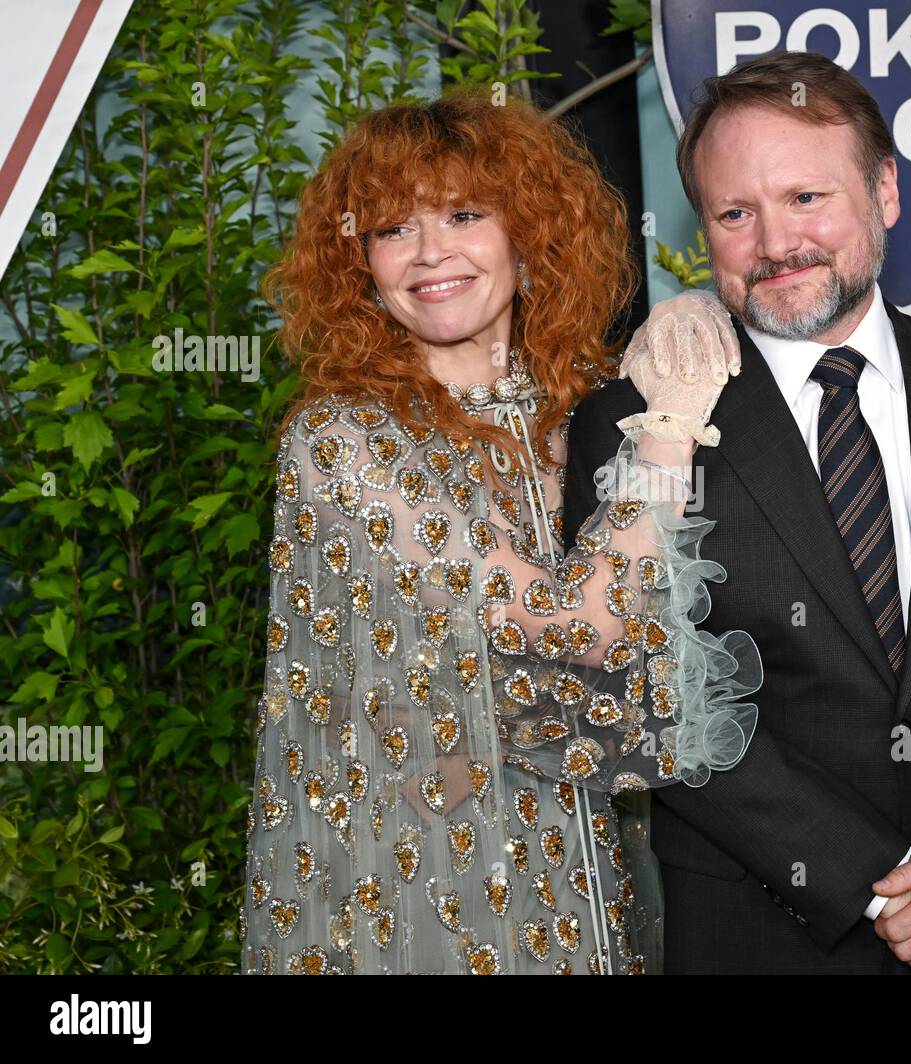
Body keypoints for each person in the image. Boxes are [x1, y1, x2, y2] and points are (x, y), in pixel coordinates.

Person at [563, 50, 911, 974]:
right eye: (735, 213)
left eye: (806, 199)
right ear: (702, 228)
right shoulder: (637, 421)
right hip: (761, 933)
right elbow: (645, 694)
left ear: (886, 192)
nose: (775, 244)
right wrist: (884, 878)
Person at [240, 91, 760, 975]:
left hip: (615, 888)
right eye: (394, 230)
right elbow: (574, 632)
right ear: (358, 260)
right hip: (433, 903)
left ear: (528, 231)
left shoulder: (588, 405)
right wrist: (670, 423)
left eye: (464, 215)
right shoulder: (345, 439)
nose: (431, 253)